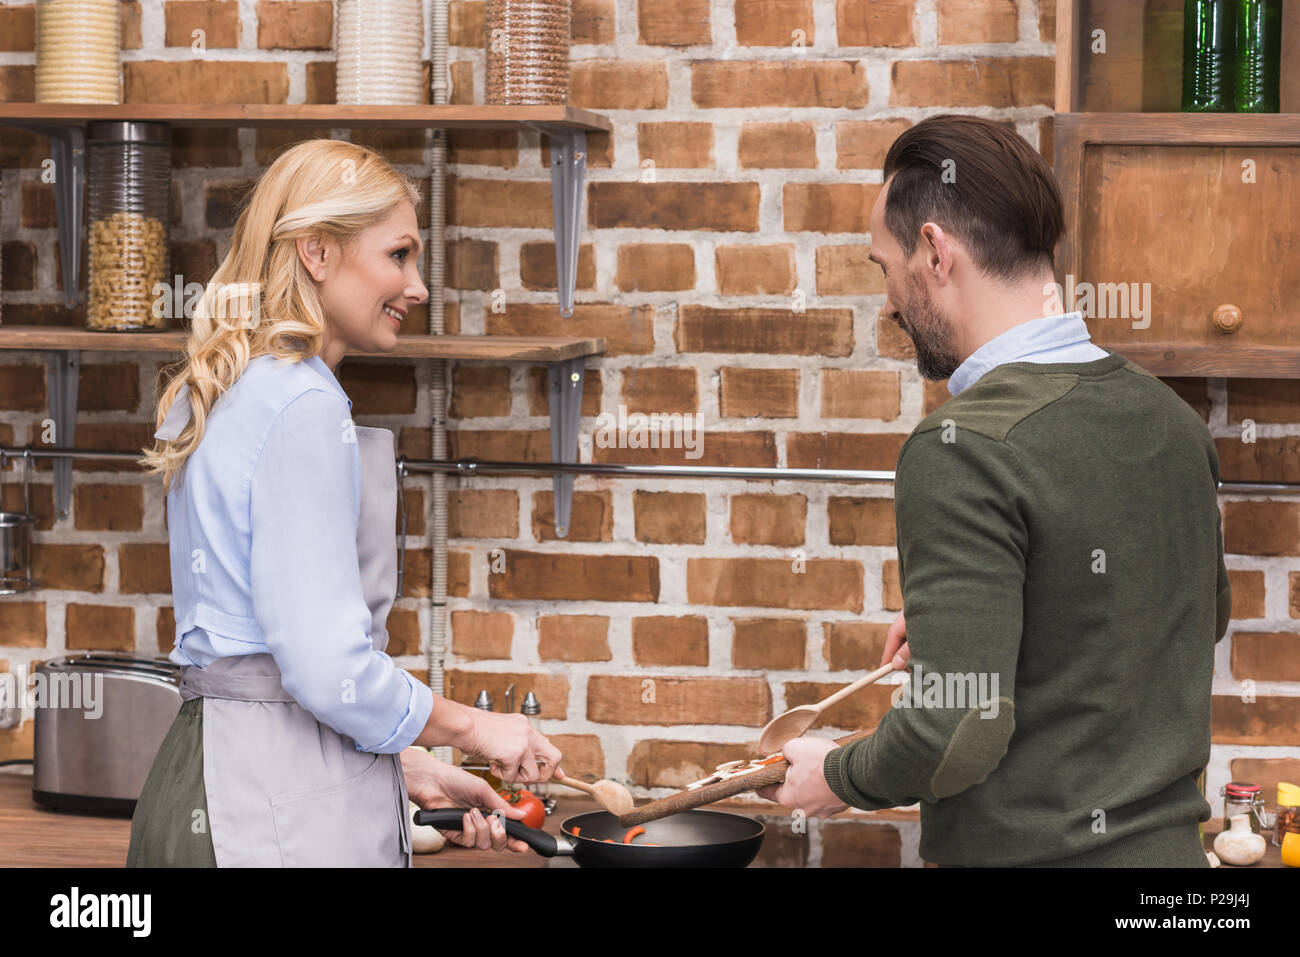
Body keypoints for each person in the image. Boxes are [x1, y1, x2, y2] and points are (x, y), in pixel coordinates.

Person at [760, 114, 1230, 867]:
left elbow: (957, 726)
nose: (887, 303)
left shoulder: (962, 448)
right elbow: (1182, 621)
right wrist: (990, 617)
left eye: (883, 267)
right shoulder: (1172, 420)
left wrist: (839, 772)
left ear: (935, 252)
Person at [129, 139, 563, 867]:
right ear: (317, 252)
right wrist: (479, 730)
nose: (417, 286)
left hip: (207, 778)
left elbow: (261, 664)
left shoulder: (228, 387)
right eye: (399, 255)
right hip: (260, 810)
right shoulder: (301, 400)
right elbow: (326, 664)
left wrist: (407, 765)